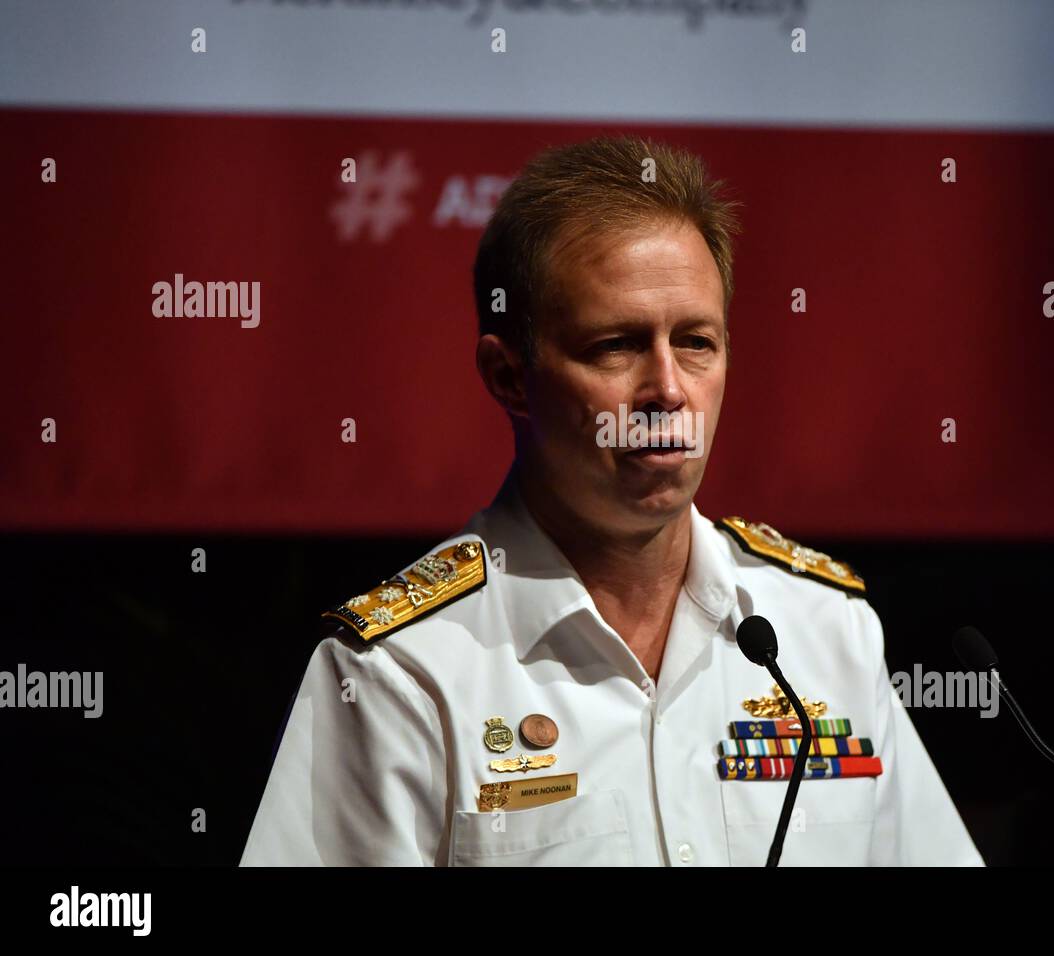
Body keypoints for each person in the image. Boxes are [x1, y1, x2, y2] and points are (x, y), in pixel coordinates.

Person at [240, 135, 983, 866]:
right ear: (508, 377)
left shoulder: (827, 632)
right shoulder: (401, 673)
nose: (668, 389)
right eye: (616, 346)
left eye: (696, 341)